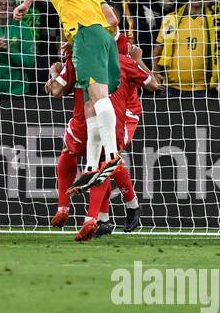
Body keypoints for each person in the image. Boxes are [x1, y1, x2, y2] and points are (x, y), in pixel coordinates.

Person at [13, 0, 121, 191]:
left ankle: (113, 156)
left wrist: (27, 3)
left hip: (88, 35)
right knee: (89, 104)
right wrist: (78, 40)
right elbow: (112, 18)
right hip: (103, 38)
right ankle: (92, 166)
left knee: (97, 94)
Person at [49, 33, 156, 239]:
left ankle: (130, 205)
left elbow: (153, 85)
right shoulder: (80, 51)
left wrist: (139, 62)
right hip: (89, 113)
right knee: (89, 158)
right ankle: (99, 219)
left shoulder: (121, 46)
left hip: (124, 111)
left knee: (107, 158)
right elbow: (58, 89)